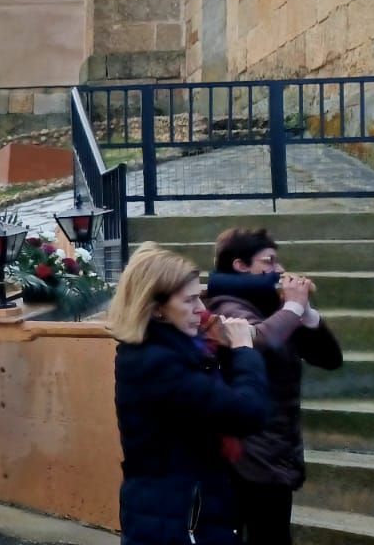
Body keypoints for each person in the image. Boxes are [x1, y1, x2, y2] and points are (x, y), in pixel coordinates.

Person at [110, 246, 269, 545]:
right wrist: (244, 351)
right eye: (189, 299)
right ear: (156, 308)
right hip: (178, 519)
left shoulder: (171, 350)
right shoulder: (156, 364)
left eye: (200, 295)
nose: (201, 308)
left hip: (181, 509)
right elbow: (248, 413)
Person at [206, 228, 341, 545]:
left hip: (277, 445)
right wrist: (292, 309)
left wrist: (306, 315)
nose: (279, 270)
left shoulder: (271, 308)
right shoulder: (226, 306)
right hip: (250, 454)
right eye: (268, 262)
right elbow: (258, 340)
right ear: (240, 265)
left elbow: (329, 358)